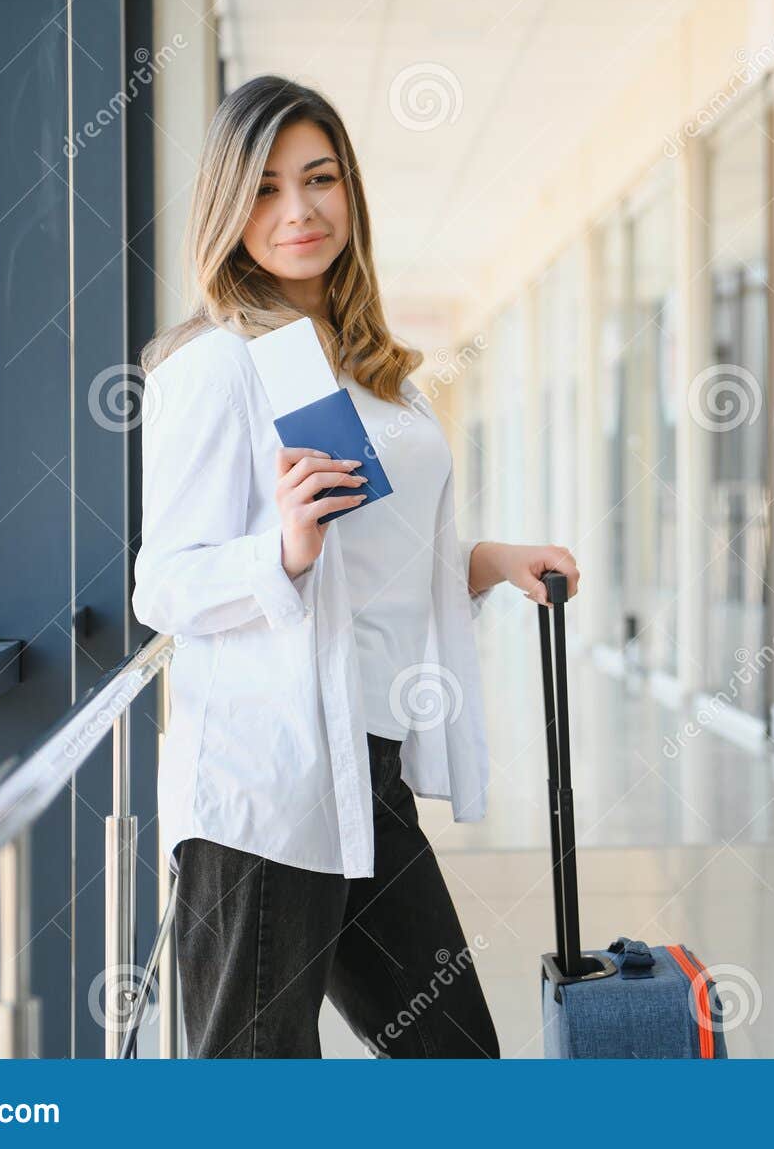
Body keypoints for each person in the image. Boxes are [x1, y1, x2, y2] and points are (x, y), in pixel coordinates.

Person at [132, 74, 580, 1059]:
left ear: (350, 194)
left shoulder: (364, 368)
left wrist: (486, 559)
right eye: (264, 187)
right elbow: (161, 584)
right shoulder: (216, 364)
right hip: (264, 787)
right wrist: (281, 552)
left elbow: (368, 557)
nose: (297, 210)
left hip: (364, 770)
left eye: (319, 178)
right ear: (227, 205)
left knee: (456, 1056)